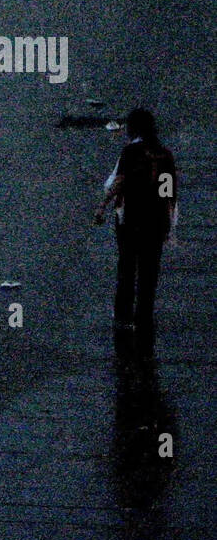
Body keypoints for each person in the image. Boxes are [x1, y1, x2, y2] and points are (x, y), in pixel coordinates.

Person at [94, 107, 177, 362]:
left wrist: (102, 207)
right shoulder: (164, 155)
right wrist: (169, 227)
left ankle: (122, 320)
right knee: (149, 272)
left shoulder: (130, 152)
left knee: (127, 268)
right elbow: (168, 195)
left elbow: (116, 182)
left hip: (130, 220)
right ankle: (144, 320)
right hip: (155, 222)